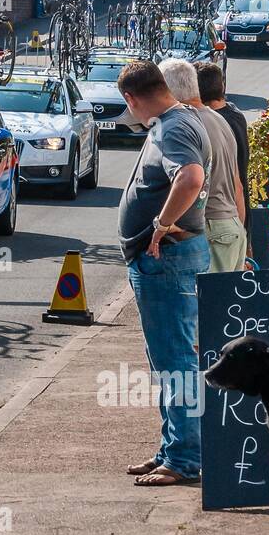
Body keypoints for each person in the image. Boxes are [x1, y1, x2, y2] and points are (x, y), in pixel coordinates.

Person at [116, 60, 212, 486]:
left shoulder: (173, 128)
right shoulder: (179, 119)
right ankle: (172, 449)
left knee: (176, 362)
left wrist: (158, 225)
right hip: (168, 259)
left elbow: (190, 177)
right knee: (168, 361)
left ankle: (184, 459)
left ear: (132, 99)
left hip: (167, 258)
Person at [160, 59, 246, 273]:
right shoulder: (221, 119)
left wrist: (164, 224)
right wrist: (240, 231)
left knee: (204, 304)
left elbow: (191, 180)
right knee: (225, 304)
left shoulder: (187, 124)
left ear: (171, 91)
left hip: (210, 228)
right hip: (231, 227)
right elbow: (238, 186)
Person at [196, 61, 251, 229]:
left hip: (225, 215)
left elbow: (236, 185)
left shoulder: (213, 123)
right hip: (239, 211)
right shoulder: (235, 113)